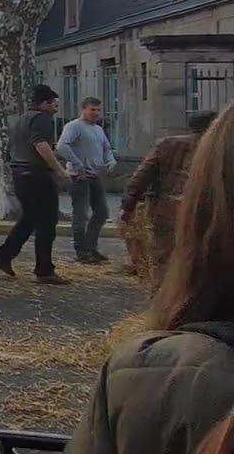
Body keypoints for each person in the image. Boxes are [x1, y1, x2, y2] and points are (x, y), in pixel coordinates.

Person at [65, 103, 234, 454]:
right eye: (94, 108)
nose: (98, 112)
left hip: (172, 216)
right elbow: (144, 171)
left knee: (168, 266)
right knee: (161, 263)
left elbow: (137, 168)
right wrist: (128, 199)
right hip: (163, 213)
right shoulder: (174, 146)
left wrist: (125, 196)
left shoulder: (154, 374)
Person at [119, 110, 217, 285]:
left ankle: (162, 298)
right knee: (197, 255)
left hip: (166, 208)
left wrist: (128, 205)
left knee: (163, 256)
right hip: (200, 209)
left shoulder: (167, 144)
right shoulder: (216, 148)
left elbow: (141, 175)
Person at [0, 84, 71, 285]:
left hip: (21, 175)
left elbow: (9, 151)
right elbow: (40, 144)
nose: (55, 108)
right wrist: (59, 170)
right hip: (37, 175)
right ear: (45, 103)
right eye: (54, 104)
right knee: (46, 223)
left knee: (29, 218)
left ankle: (4, 254)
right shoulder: (42, 119)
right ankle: (44, 270)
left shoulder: (20, 120)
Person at [56, 96, 117, 264]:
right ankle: (81, 252)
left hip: (95, 175)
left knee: (102, 212)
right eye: (92, 109)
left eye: (98, 110)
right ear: (83, 109)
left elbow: (106, 148)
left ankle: (91, 247)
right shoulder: (74, 126)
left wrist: (111, 161)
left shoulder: (98, 129)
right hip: (79, 177)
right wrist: (77, 163)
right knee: (80, 215)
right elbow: (62, 146)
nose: (96, 113)